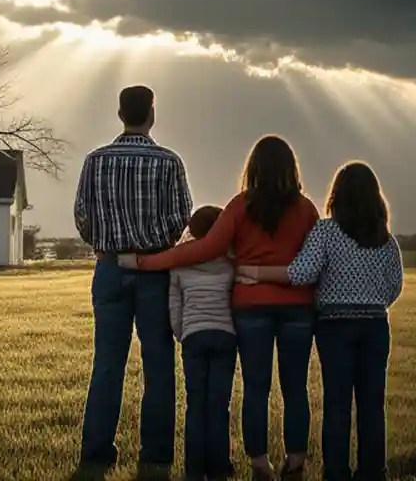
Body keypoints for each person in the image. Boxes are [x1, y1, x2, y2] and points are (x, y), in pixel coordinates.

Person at [122, 135, 319, 480]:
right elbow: (316, 262)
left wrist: (144, 262)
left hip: (251, 310)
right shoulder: (306, 210)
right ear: (291, 167)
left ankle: (260, 463)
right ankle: (296, 461)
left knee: (257, 387)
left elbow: (200, 250)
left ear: (253, 168)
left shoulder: (241, 206)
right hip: (298, 308)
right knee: (295, 388)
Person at [237, 162, 404, 481]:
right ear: (375, 197)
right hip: (374, 325)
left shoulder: (326, 231)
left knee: (337, 405)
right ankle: (372, 472)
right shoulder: (386, 239)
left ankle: (336, 473)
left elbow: (302, 273)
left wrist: (255, 273)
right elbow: (394, 285)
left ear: (337, 195)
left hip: (334, 326)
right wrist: (372, 303)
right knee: (372, 406)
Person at [75, 85, 193, 477]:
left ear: (120, 112)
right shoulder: (169, 162)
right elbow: (182, 216)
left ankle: (96, 451)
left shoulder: (95, 161)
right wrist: (155, 247)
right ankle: (156, 454)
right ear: (151, 113)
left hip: (109, 269)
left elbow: (82, 216)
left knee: (107, 360)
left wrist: (108, 246)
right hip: (155, 270)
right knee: (158, 362)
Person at [169, 205, 236, 481]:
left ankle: (194, 467)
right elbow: (236, 300)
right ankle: (219, 464)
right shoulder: (230, 262)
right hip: (224, 336)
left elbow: (175, 306)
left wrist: (181, 332)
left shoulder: (180, 264)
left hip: (194, 337)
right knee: (219, 403)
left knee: (196, 403)